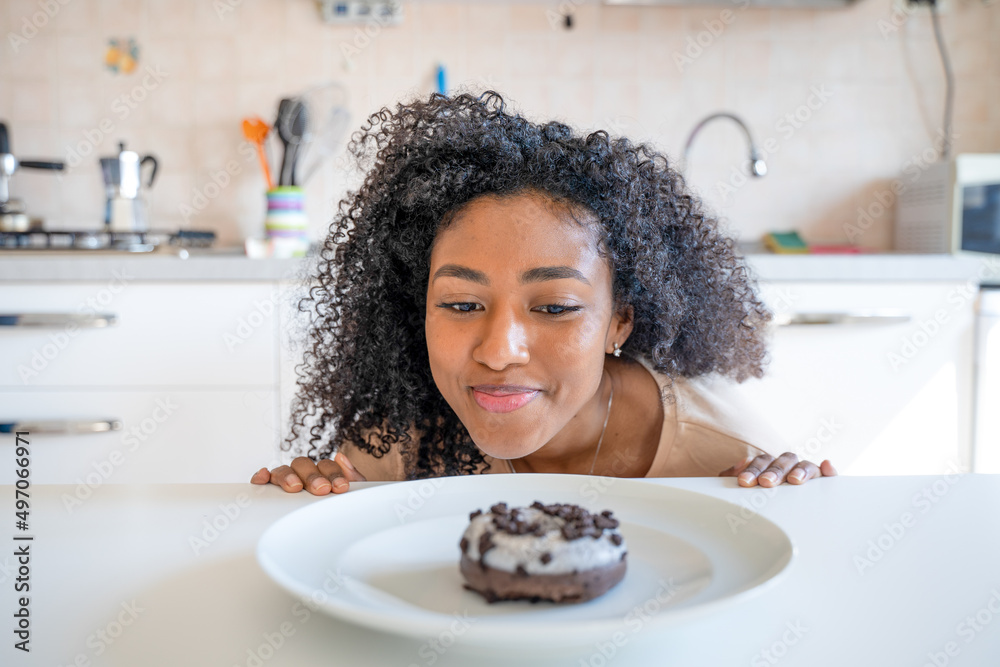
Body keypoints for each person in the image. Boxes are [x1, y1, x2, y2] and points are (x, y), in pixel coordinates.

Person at [251, 90, 837, 496]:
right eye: (460, 305)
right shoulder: (407, 436)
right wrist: (311, 494)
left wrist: (794, 498)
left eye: (555, 308)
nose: (499, 351)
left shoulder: (722, 455)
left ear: (619, 323)